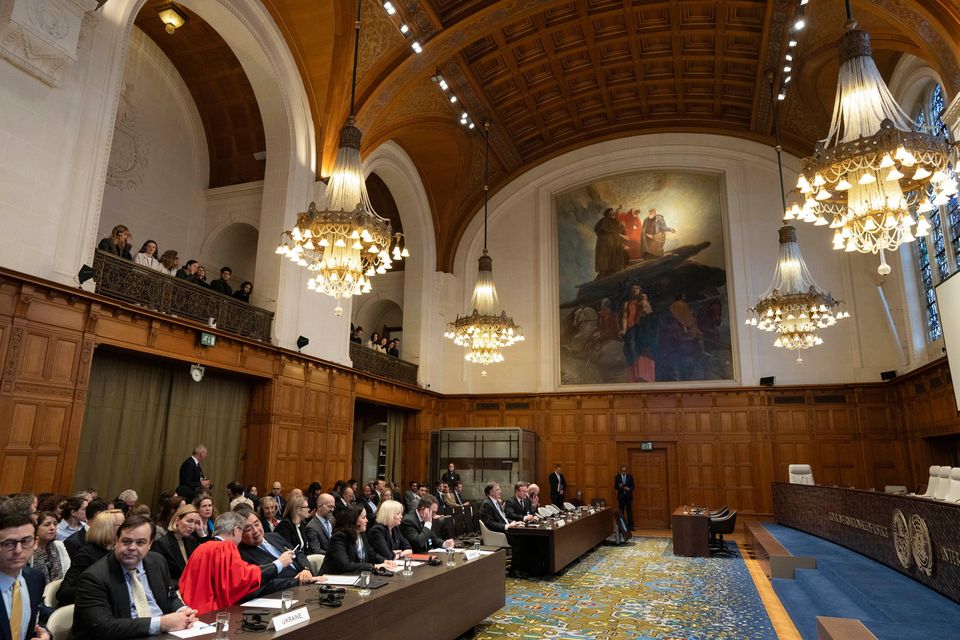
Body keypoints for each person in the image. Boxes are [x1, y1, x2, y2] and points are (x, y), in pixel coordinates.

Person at [73, 515, 197, 640]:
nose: (132, 547)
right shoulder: (94, 578)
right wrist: (161, 623)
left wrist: (182, 611)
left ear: (150, 544)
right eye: (126, 541)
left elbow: (169, 596)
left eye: (140, 542)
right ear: (117, 540)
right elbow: (103, 627)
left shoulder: (158, 562)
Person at [178, 512, 289, 614]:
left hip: (192, 610)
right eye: (241, 531)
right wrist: (278, 564)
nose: (241, 537)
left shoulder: (201, 548)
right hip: (213, 613)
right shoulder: (226, 547)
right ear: (235, 530)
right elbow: (242, 578)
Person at [235, 508, 319, 595]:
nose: (256, 531)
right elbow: (267, 584)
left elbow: (298, 554)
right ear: (240, 533)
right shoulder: (241, 554)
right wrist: (299, 581)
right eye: (248, 529)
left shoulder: (274, 536)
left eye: (257, 524)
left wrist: (306, 569)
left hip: (306, 585)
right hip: (285, 594)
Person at [58, 509, 125, 605]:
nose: (128, 529)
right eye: (122, 525)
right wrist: (98, 590)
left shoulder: (118, 552)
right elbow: (63, 592)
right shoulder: (86, 554)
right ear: (107, 528)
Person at [0, 513, 50, 640]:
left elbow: (32, 623)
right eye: (8, 543)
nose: (18, 550)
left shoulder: (35, 579)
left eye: (25, 541)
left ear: (35, 542)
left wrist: (45, 635)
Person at [318, 505, 394, 575]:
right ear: (354, 519)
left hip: (355, 577)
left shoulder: (361, 534)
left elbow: (371, 554)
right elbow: (345, 565)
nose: (367, 520)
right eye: (363, 517)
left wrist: (384, 561)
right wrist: (373, 566)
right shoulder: (339, 537)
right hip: (332, 581)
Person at [151, 504, 201, 586]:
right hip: (175, 591)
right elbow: (160, 577)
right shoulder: (161, 544)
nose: (192, 526)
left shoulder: (191, 540)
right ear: (177, 520)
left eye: (196, 522)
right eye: (189, 521)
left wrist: (202, 535)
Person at [29, 511, 71, 583]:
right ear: (35, 528)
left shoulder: (59, 545)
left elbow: (67, 572)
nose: (52, 528)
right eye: (47, 525)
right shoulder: (29, 550)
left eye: (55, 524)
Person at [594, 207, 627, 278]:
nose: (612, 214)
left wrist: (622, 226)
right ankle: (605, 271)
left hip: (614, 242)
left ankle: (614, 269)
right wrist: (611, 232)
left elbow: (618, 230)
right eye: (610, 213)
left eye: (613, 212)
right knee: (606, 257)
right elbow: (600, 229)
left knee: (615, 255)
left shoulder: (614, 221)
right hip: (605, 243)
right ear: (607, 214)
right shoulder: (604, 220)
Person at [614, 464, 635, 530]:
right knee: (621, 511)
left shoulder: (630, 477)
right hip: (621, 496)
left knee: (629, 511)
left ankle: (630, 526)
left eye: (624, 471)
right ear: (620, 470)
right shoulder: (617, 477)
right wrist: (619, 486)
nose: (623, 472)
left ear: (626, 471)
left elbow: (633, 487)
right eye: (622, 471)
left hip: (628, 496)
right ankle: (621, 527)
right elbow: (615, 487)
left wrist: (628, 488)